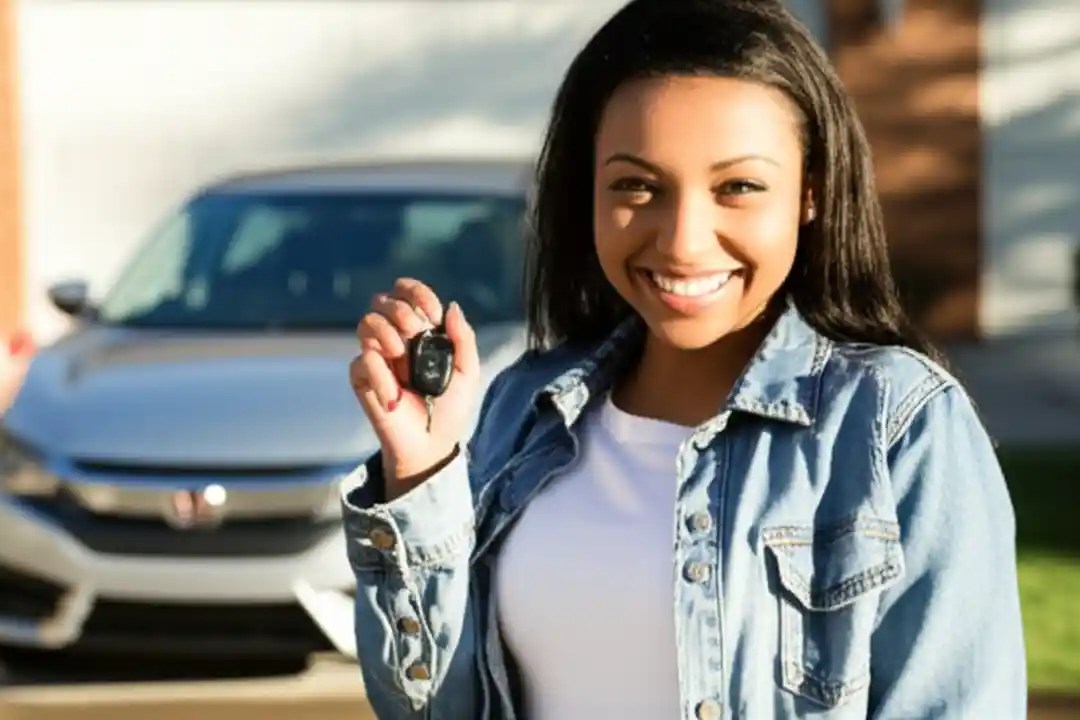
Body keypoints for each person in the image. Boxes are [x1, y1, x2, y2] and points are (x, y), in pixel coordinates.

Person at [340, 0, 1026, 717]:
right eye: (637, 186)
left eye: (739, 187)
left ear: (811, 193)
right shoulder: (521, 410)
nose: (683, 242)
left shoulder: (897, 426)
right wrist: (421, 473)